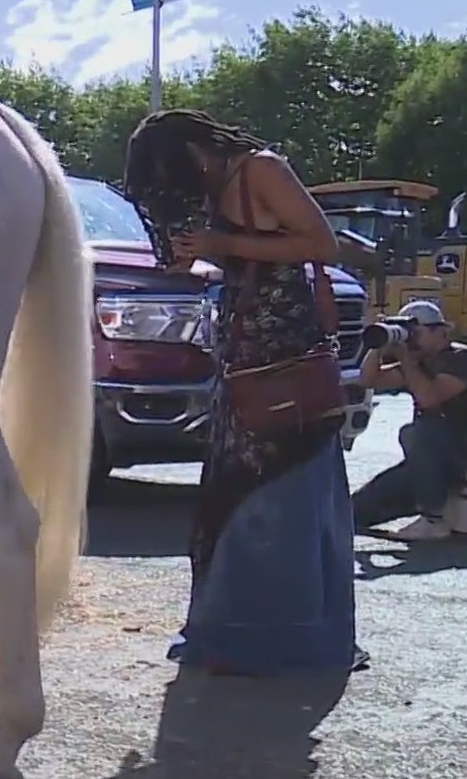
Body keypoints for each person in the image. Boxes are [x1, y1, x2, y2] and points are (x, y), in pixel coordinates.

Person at [123, 109, 364, 676]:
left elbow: (321, 243)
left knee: (287, 487)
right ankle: (237, 632)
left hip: (287, 350)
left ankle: (292, 636)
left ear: (191, 151)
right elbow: (232, 262)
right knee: (234, 494)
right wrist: (194, 253)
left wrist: (223, 240)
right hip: (242, 355)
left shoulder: (262, 169)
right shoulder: (211, 190)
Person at [352, 300, 467, 541]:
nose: (410, 339)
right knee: (354, 511)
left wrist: (405, 357)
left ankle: (433, 519)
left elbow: (429, 399)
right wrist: (378, 345)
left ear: (441, 332)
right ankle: (435, 503)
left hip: (458, 455)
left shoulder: (460, 359)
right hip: (436, 464)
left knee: (415, 432)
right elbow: (368, 380)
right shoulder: (418, 363)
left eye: (416, 332)